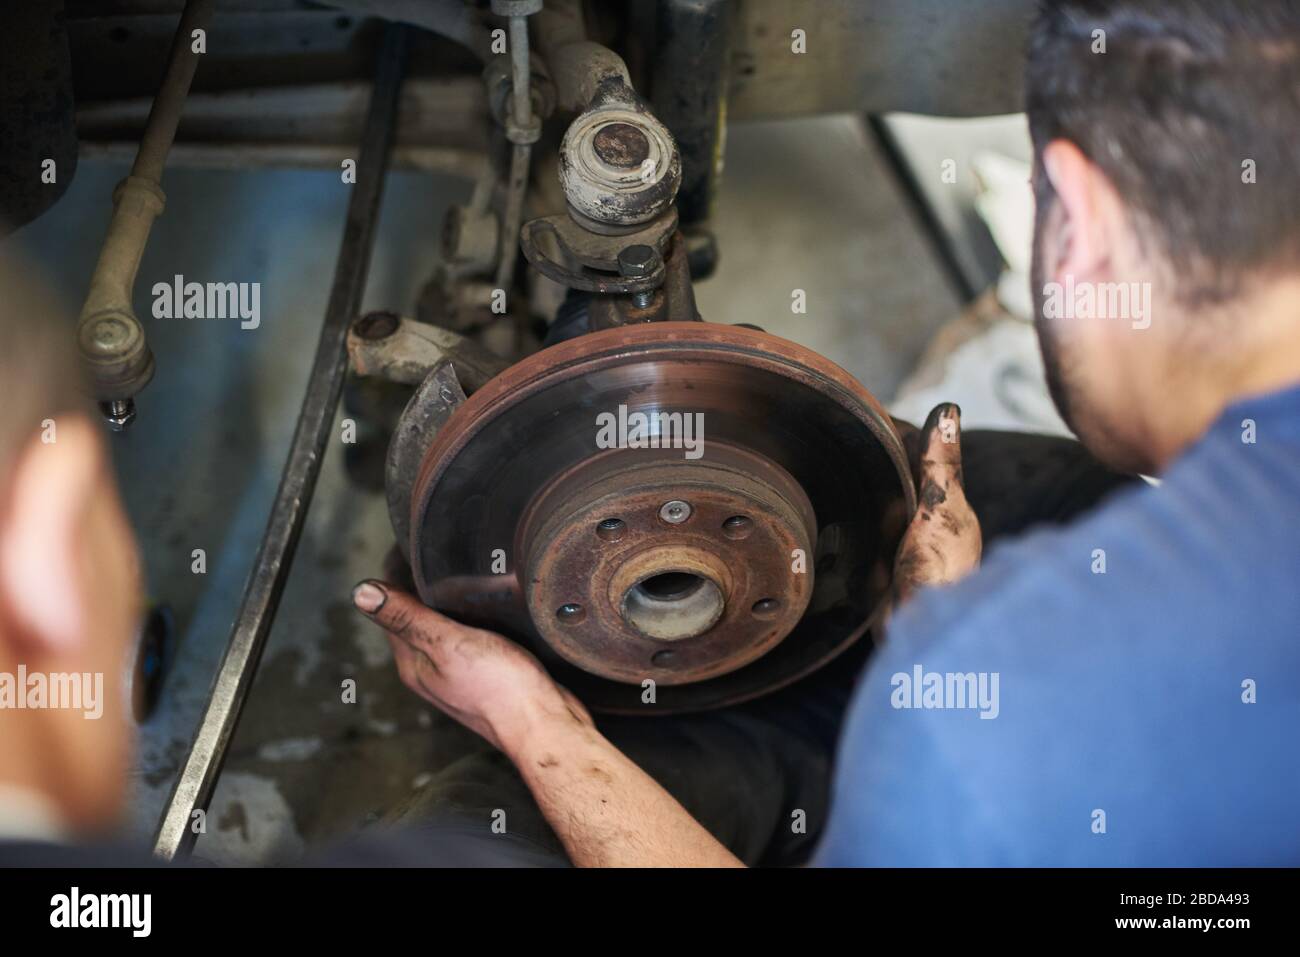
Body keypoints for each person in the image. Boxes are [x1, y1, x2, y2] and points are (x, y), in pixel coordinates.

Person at [351, 0, 1300, 866]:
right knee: (1046, 498)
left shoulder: (987, 760)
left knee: (477, 835)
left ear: (1079, 215)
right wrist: (935, 636)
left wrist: (538, 724)